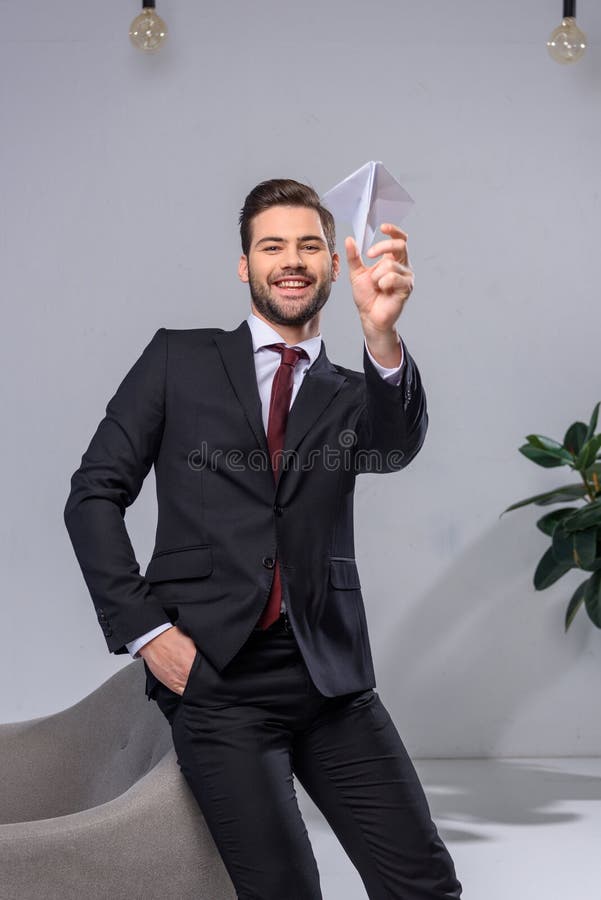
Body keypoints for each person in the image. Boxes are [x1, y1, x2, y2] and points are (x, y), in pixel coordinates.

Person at [64, 178, 462, 899]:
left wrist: (381, 334)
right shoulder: (177, 360)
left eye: (309, 246)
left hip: (330, 677)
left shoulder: (353, 391)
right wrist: (148, 632)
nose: (292, 260)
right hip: (216, 679)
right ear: (244, 265)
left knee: (425, 886)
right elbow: (93, 495)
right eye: (272, 246)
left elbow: (395, 446)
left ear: (333, 266)